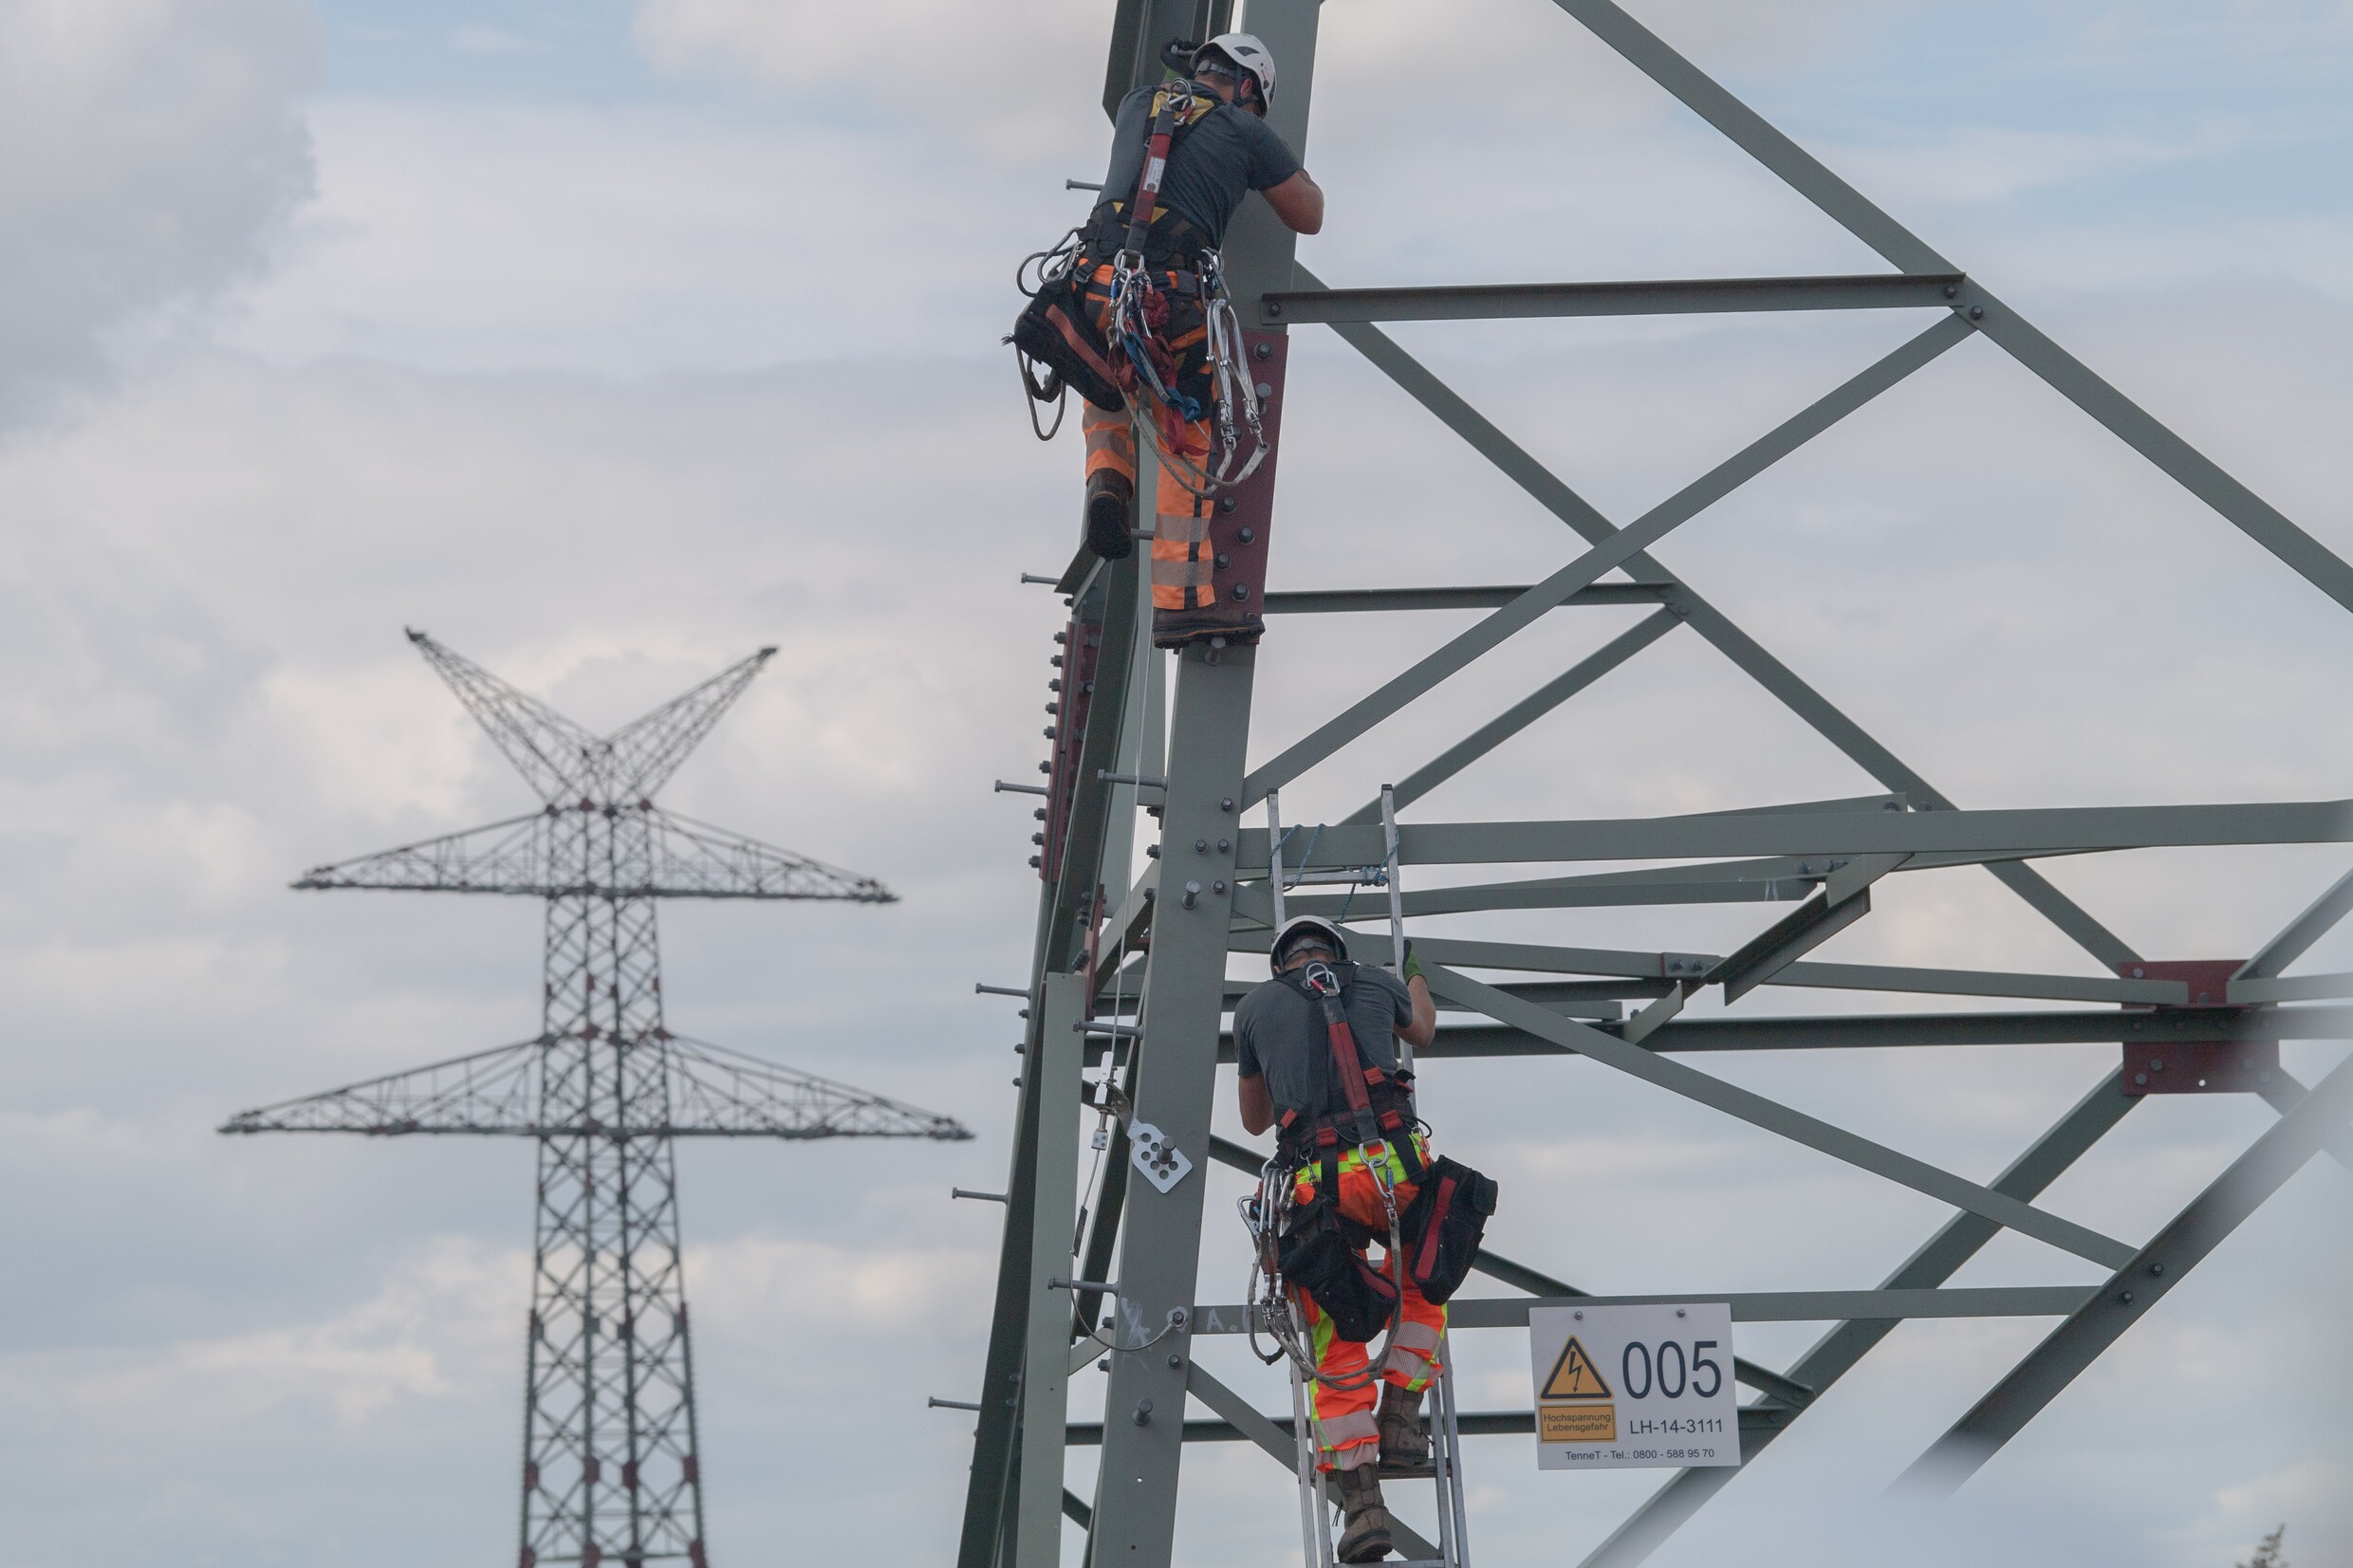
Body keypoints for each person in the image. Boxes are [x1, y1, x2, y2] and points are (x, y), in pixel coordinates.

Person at [1074, 34, 1325, 620]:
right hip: (1169, 294)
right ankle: (1181, 598)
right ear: (1244, 88)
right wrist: (1268, 148)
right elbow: (1308, 214)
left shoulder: (1139, 104)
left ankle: (1107, 480)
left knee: (1106, 378)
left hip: (1093, 281)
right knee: (1186, 434)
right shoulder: (1245, 129)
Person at [1234, 914, 1440, 1564]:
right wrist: (1414, 973)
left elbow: (1254, 1118)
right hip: (1401, 1169)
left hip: (1319, 1191)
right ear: (1335, 952)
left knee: (1336, 1337)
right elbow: (1424, 1029)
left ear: (1281, 964)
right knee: (1429, 1274)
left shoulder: (1256, 1006)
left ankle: (1362, 1505)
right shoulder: (1377, 982)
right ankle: (1404, 1418)